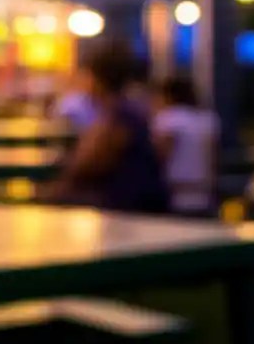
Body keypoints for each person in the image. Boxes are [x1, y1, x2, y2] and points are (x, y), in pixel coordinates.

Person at [44, 41, 169, 213]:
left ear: (96, 79)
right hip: (132, 205)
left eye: (85, 75)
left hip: (126, 210)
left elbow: (83, 166)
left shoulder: (117, 119)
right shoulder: (127, 111)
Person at [153, 76, 219, 216]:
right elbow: (212, 158)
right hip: (203, 193)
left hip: (176, 193)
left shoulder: (168, 119)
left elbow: (160, 156)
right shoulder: (207, 120)